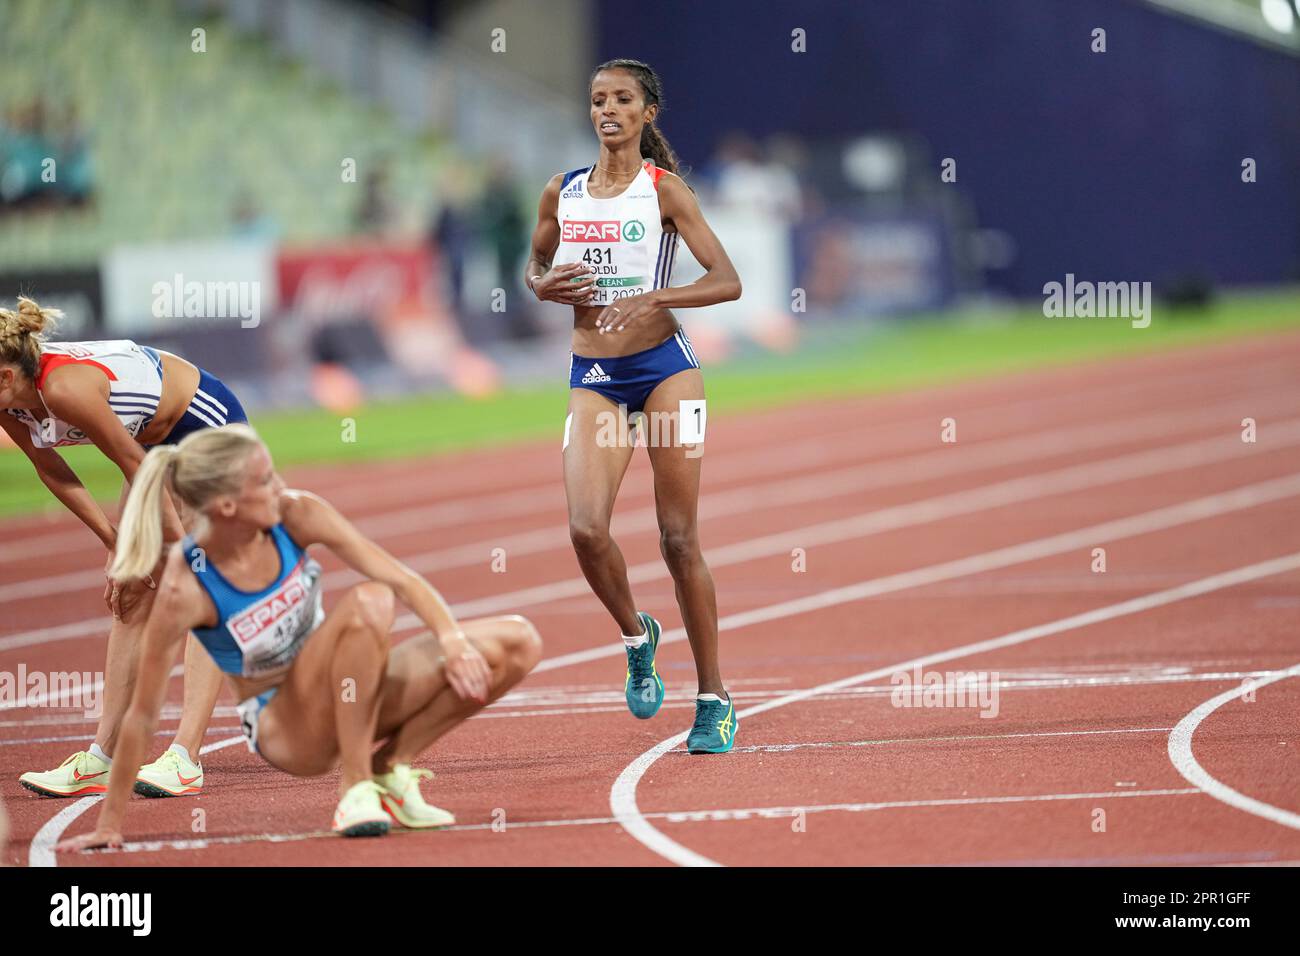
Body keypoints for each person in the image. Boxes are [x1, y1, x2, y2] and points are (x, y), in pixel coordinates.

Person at [56, 424, 542, 847]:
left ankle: (388, 769)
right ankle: (355, 790)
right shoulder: (188, 585)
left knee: (518, 642)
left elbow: (402, 579)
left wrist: (452, 642)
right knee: (368, 604)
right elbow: (142, 716)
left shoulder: (297, 514)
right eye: (264, 481)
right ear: (226, 504)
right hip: (287, 729)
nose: (280, 486)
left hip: (347, 690)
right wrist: (110, 822)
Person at [524, 59, 742, 753]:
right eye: (597, 100)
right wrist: (542, 286)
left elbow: (727, 280)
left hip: (665, 372)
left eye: (622, 99)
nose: (607, 110)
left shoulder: (664, 191)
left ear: (648, 113)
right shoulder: (561, 193)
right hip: (594, 373)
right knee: (587, 530)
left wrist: (658, 296)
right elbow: (534, 268)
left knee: (679, 540)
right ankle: (635, 633)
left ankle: (713, 699)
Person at [0, 296, 240, 798]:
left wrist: (181, 553)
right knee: (130, 594)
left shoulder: (65, 388)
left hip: (204, 426)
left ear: (5, 377)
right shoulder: (10, 404)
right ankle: (102, 759)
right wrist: (116, 545)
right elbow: (52, 469)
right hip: (149, 448)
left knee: (200, 587)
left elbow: (138, 465)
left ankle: (185, 758)